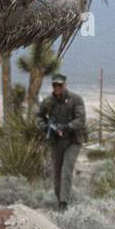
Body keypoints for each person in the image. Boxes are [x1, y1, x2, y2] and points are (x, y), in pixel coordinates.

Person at [36, 72, 87, 210]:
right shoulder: (48, 102)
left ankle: (64, 204)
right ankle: (60, 202)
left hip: (73, 140)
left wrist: (67, 126)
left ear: (65, 85)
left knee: (66, 171)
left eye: (60, 85)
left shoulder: (75, 100)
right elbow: (38, 116)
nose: (57, 87)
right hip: (56, 141)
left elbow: (81, 119)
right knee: (57, 173)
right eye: (55, 85)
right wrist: (45, 126)